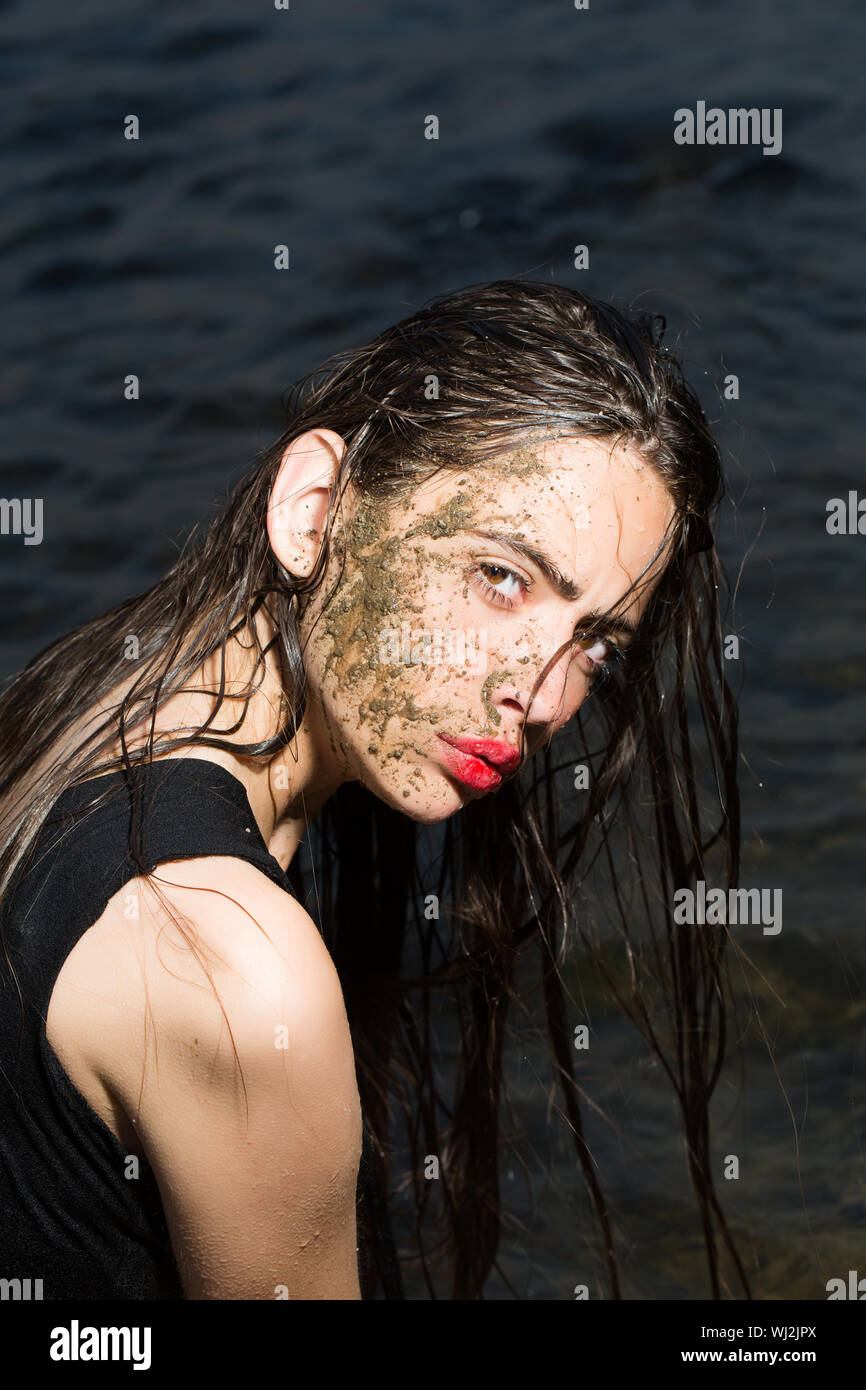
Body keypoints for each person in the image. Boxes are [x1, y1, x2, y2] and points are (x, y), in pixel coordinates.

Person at [0, 279, 747, 1300]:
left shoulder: (107, 690)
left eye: (596, 646)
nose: (534, 694)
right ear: (314, 510)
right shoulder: (235, 971)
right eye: (499, 576)